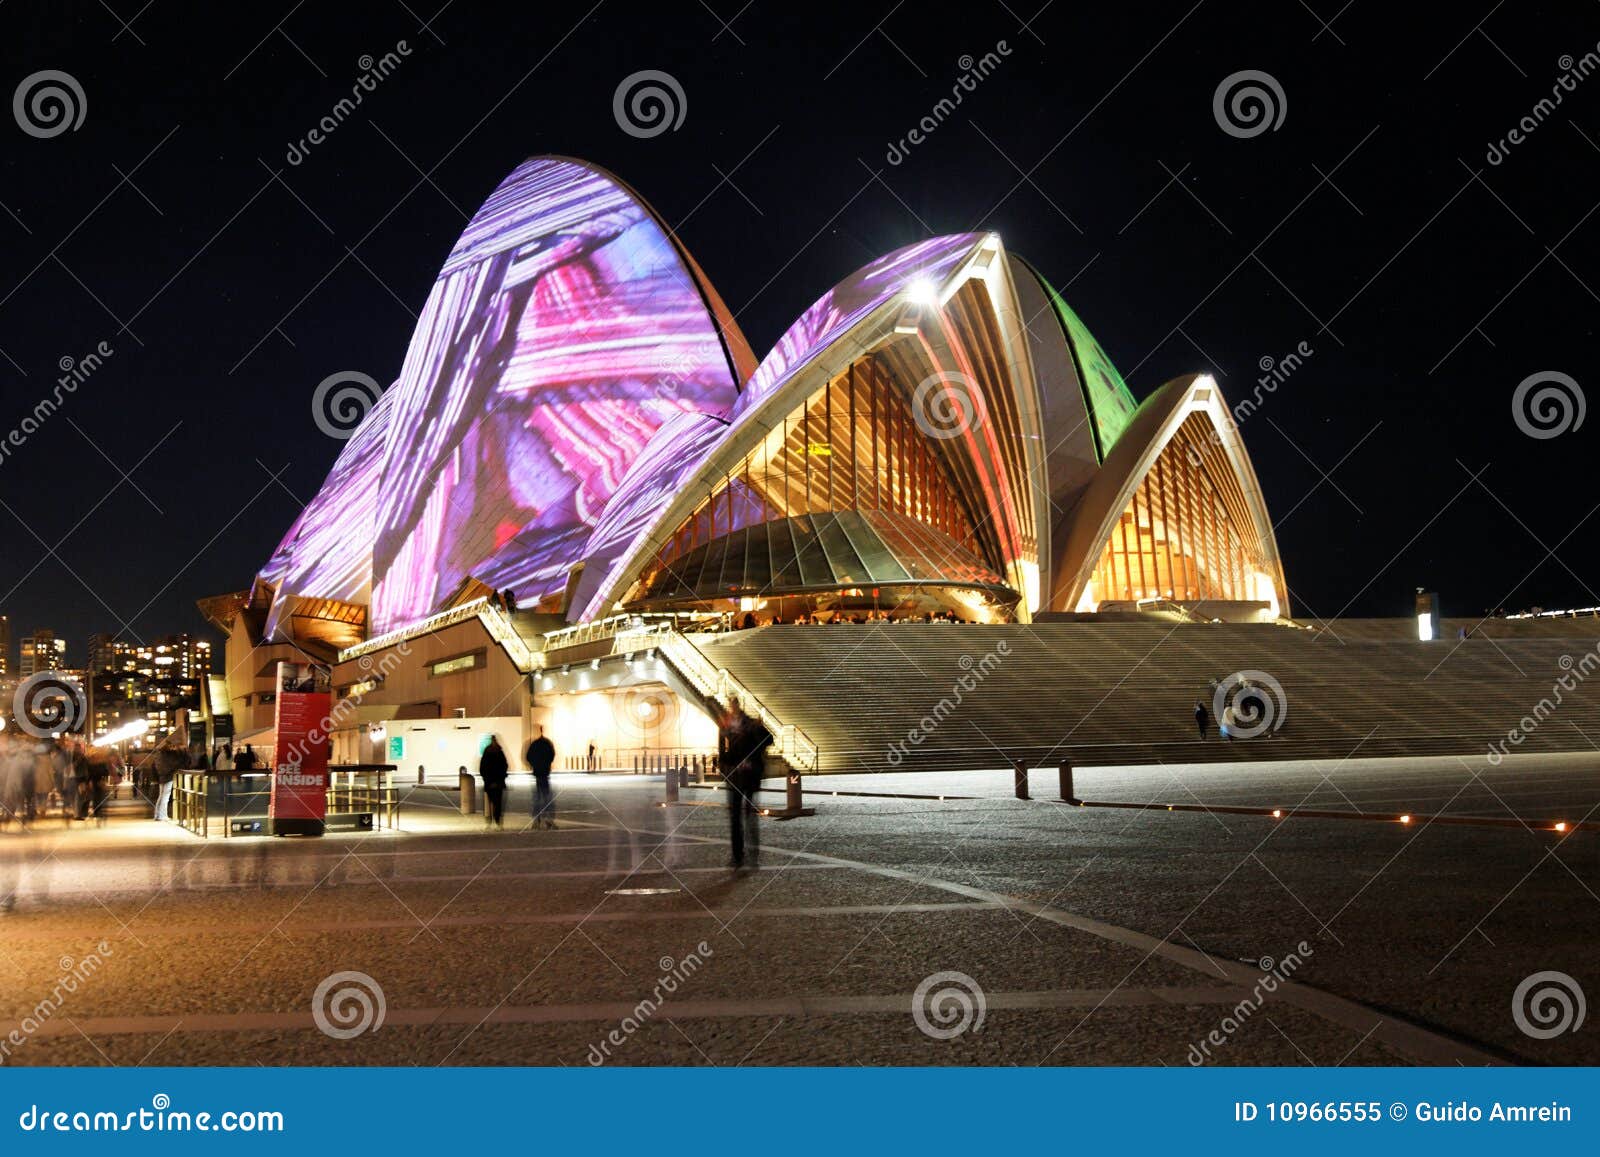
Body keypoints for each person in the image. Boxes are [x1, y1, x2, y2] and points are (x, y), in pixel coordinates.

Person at [719, 698, 773, 871]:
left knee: (749, 816)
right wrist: (725, 764)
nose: (731, 710)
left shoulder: (751, 724)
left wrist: (750, 758)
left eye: (733, 706)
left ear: (738, 708)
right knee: (735, 817)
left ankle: (753, 855)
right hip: (734, 776)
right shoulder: (726, 727)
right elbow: (724, 752)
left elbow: (768, 739)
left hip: (749, 776)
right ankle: (737, 856)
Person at [526, 726, 556, 829]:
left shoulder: (534, 745)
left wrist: (534, 765)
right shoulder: (547, 743)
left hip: (538, 773)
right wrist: (547, 764)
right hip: (544, 772)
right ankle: (548, 819)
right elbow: (552, 755)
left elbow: (528, 756)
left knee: (537, 798)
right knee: (547, 797)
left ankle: (537, 820)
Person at [152, 733, 186, 823]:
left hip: (162, 776)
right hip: (168, 776)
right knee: (165, 796)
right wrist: (180, 749)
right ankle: (162, 815)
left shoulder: (158, 753)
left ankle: (157, 814)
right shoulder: (167, 754)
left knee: (161, 795)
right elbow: (180, 760)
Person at [478, 736, 509, 830]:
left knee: (489, 803)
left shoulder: (486, 753)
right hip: (498, 782)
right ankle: (498, 822)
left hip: (489, 782)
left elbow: (482, 768)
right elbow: (505, 766)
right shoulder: (500, 752)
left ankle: (490, 822)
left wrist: (486, 779)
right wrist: (502, 777)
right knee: (498, 803)